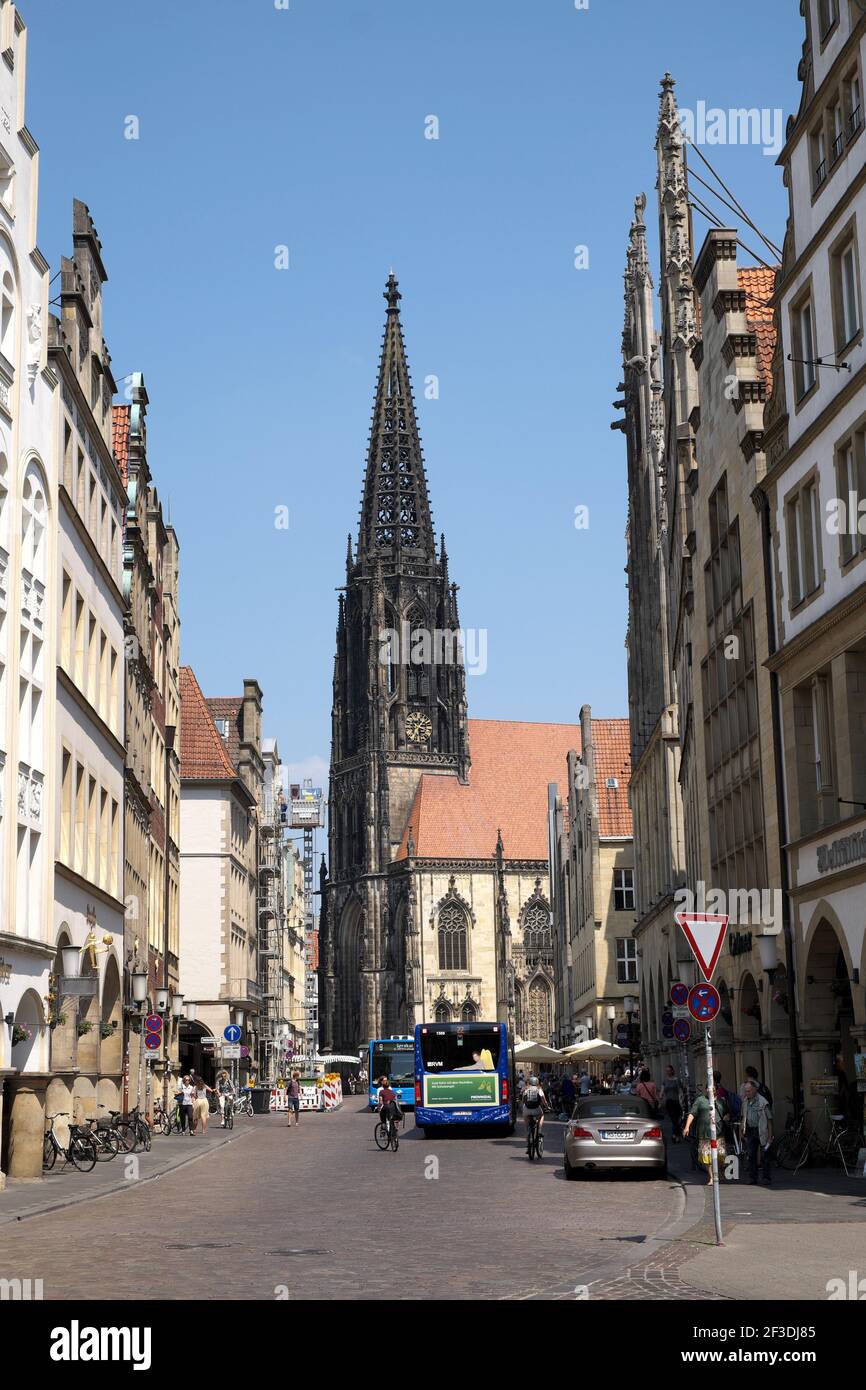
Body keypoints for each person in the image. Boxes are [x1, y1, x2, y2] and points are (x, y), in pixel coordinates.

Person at [683, 1085, 727, 1185]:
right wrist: (687, 1127)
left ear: (716, 1090)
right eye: (709, 1088)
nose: (711, 1090)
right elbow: (692, 1113)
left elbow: (727, 1112)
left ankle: (719, 1173)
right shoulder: (700, 1100)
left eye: (713, 1089)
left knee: (720, 1156)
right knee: (707, 1157)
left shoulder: (721, 1101)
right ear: (706, 1089)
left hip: (718, 1133)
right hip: (704, 1134)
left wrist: (726, 1117)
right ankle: (711, 1177)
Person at [741, 1078, 773, 1184]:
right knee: (751, 1155)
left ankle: (766, 1177)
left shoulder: (763, 1102)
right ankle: (753, 1177)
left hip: (762, 1131)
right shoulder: (745, 1101)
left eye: (749, 1091)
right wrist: (742, 1131)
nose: (747, 1093)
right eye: (746, 1091)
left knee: (765, 1155)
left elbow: (769, 1119)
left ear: (755, 1090)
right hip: (750, 1131)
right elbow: (743, 1117)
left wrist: (770, 1136)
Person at [522, 1073, 549, 1142]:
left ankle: (527, 1130)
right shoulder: (539, 1089)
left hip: (527, 1109)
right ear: (537, 1082)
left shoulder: (525, 1089)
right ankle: (539, 1130)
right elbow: (544, 1100)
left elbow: (523, 1100)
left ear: (529, 1082)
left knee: (525, 1117)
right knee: (542, 1115)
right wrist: (547, 1107)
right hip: (536, 1109)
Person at [661, 1064, 683, 1142]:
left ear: (672, 1071)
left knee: (675, 1119)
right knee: (673, 1119)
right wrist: (661, 1096)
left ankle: (675, 1135)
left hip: (676, 1101)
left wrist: (681, 1100)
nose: (668, 1072)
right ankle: (677, 1135)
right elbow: (662, 1090)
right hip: (668, 1102)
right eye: (667, 1071)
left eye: (669, 1071)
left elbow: (680, 1091)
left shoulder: (677, 1080)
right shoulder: (665, 1080)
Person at [376, 1075, 402, 1139]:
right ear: (381, 1081)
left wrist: (378, 1107)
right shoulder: (381, 1089)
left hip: (386, 1107)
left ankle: (386, 1131)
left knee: (384, 1119)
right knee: (391, 1119)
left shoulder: (382, 1091)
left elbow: (380, 1101)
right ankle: (391, 1133)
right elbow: (395, 1099)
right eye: (384, 1080)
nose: (385, 1081)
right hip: (392, 1107)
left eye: (386, 1080)